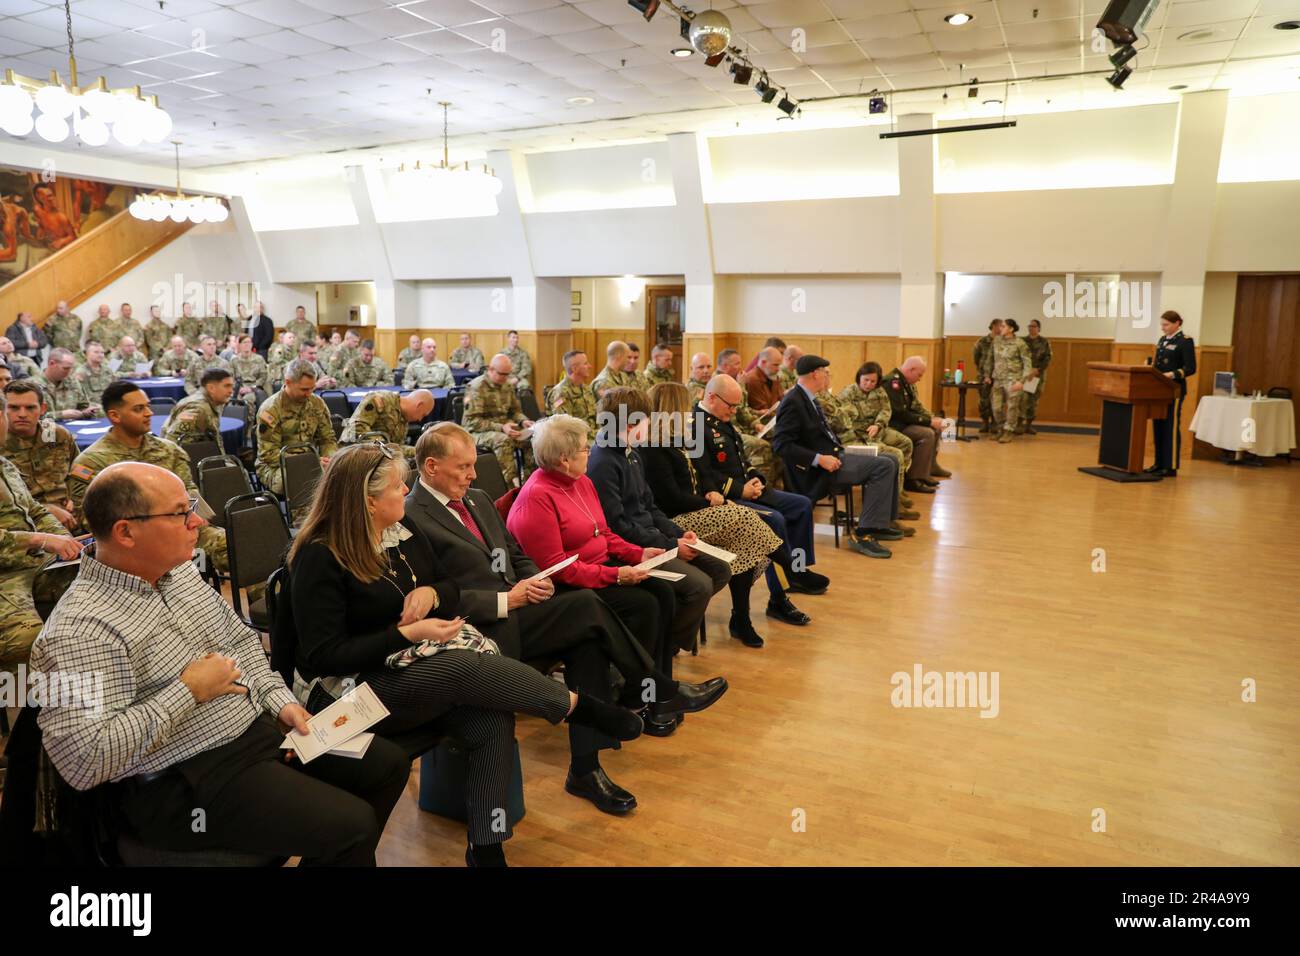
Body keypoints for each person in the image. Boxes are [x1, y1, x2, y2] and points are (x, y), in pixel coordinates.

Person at [32, 461, 408, 865]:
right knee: (352, 826)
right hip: (180, 779)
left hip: (252, 733)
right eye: (180, 513)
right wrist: (188, 691)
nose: (196, 520)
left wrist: (279, 701)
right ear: (126, 532)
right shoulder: (78, 630)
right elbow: (84, 761)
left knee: (387, 765)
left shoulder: (179, 574)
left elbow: (240, 642)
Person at [287, 442, 646, 865]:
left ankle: (486, 848)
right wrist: (406, 635)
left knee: (491, 716)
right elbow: (328, 656)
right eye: (398, 486)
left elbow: (449, 587)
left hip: (410, 669)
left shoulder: (399, 532)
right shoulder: (320, 556)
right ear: (367, 503)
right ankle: (575, 706)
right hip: (345, 693)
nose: (406, 491)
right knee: (459, 668)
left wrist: (429, 591)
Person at [405, 423, 720, 807]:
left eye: (473, 466)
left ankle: (586, 770)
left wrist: (534, 582)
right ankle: (656, 689)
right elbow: (432, 599)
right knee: (589, 608)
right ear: (432, 467)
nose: (473, 474)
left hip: (520, 610)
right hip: (475, 633)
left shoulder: (477, 498)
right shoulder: (412, 517)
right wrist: (510, 599)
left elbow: (515, 552)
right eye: (463, 467)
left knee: (589, 636)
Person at [507, 414, 728, 738]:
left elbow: (605, 533)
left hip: (602, 568)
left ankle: (655, 698)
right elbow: (556, 567)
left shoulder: (580, 481)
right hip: (569, 587)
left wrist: (637, 554)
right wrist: (615, 575)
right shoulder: (537, 497)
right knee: (644, 604)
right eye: (584, 448)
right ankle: (643, 696)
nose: (590, 452)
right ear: (563, 459)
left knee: (664, 593)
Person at [645, 382, 825, 648]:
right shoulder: (654, 447)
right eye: (684, 408)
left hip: (698, 509)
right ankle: (792, 569)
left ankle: (742, 618)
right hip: (676, 520)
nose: (688, 412)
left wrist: (713, 493)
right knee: (747, 518)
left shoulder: (680, 438)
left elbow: (704, 475)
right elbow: (670, 498)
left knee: (746, 541)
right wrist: (710, 501)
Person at [587, 387, 730, 658]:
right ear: (630, 423)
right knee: (699, 586)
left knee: (720, 569)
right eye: (646, 420)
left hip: (654, 537)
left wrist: (680, 534)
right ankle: (658, 651)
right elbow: (617, 526)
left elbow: (649, 506)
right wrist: (671, 546)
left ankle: (665, 638)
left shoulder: (632, 453)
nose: (651, 425)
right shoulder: (604, 461)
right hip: (633, 548)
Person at [69, 381, 230, 575]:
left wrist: (191, 520)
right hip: (133, 542)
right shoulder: (91, 462)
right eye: (139, 409)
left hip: (183, 527)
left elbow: (189, 492)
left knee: (239, 547)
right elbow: (89, 519)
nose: (148, 413)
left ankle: (269, 600)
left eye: (147, 406)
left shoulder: (168, 451)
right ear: (114, 416)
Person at [695, 375, 827, 595]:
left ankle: (798, 568)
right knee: (774, 520)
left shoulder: (723, 419)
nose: (735, 411)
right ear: (711, 397)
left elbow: (741, 460)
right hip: (727, 497)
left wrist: (755, 478)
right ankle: (782, 590)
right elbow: (704, 475)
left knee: (801, 505)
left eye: (737, 405)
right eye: (731, 405)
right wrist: (740, 490)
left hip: (748, 489)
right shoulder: (696, 426)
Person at [772, 355, 900, 558]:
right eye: (825, 372)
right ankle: (864, 534)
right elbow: (781, 445)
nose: (827, 376)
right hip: (818, 470)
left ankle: (879, 524)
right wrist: (818, 459)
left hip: (833, 455)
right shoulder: (794, 401)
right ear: (815, 374)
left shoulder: (808, 397)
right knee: (883, 465)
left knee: (891, 460)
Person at [0, 388, 84, 679]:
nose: (18, 417)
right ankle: (28, 716)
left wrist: (66, 543)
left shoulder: (5, 467)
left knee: (105, 592)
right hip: (6, 572)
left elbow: (34, 511)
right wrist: (40, 539)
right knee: (29, 641)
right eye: (11, 409)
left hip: (36, 561)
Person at [836, 362, 916, 513]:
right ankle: (893, 498)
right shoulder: (848, 393)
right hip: (860, 435)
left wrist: (878, 425)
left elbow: (886, 409)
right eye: (865, 380)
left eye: (873, 381)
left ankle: (898, 488)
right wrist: (866, 431)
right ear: (859, 377)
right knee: (895, 454)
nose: (868, 384)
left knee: (906, 443)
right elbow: (845, 420)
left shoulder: (879, 391)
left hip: (877, 429)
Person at [2, 380, 80, 530]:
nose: (22, 414)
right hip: (26, 518)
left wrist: (74, 498)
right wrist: (47, 509)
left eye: (30, 408)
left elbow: (78, 472)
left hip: (71, 509)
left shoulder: (57, 434)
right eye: (14, 408)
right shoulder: (1, 442)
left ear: (43, 409)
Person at [255, 360, 337, 495]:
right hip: (276, 467)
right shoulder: (271, 409)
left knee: (339, 471)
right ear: (288, 382)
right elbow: (268, 455)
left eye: (312, 388)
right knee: (304, 476)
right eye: (304, 389)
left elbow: (327, 438)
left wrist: (331, 459)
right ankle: (305, 516)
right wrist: (309, 462)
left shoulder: (317, 403)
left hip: (312, 462)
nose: (309, 393)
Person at [462, 354, 535, 485]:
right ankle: (508, 488)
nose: (506, 378)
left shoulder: (507, 385)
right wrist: (500, 427)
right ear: (490, 369)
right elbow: (471, 422)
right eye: (502, 374)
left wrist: (523, 421)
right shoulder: (477, 387)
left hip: (505, 428)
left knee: (532, 438)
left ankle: (530, 483)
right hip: (478, 432)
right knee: (503, 441)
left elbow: (515, 411)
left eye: (508, 374)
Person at [881, 356, 951, 486]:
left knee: (934, 429)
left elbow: (914, 407)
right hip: (894, 426)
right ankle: (914, 478)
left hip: (903, 423)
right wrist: (928, 422)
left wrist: (931, 419)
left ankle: (929, 468)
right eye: (919, 375)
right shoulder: (893, 383)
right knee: (927, 434)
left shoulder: (905, 382)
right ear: (911, 369)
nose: (920, 379)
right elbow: (899, 414)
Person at [714, 348, 780, 484]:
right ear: (726, 366)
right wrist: (741, 386)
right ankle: (762, 488)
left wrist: (755, 422)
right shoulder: (719, 382)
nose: (741, 367)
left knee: (779, 437)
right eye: (737, 363)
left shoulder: (732, 380)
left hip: (737, 428)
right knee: (762, 446)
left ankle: (776, 486)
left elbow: (742, 410)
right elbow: (737, 407)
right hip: (725, 431)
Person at [1148, 309, 1196, 478]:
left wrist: (1172, 374)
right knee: (1158, 426)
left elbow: (1190, 368)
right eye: (1162, 324)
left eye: (1166, 324)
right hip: (1159, 390)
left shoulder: (1185, 341)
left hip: (1174, 390)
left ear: (1177, 323)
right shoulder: (1162, 340)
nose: (1163, 328)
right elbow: (1158, 364)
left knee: (1170, 427)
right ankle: (1158, 463)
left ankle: (1170, 466)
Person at [340, 389, 433, 456]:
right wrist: (387, 446)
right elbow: (356, 429)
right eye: (423, 414)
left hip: (378, 458)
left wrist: (417, 451)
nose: (420, 419)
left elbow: (395, 447)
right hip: (352, 455)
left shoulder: (403, 418)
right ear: (419, 405)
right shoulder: (380, 400)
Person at [162, 367, 234, 447]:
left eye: (231, 386)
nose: (231, 391)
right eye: (227, 386)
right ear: (211, 388)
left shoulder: (208, 402)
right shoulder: (197, 408)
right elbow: (173, 442)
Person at [989, 320, 1033, 444]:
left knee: (1012, 407)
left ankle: (1008, 431)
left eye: (1003, 326)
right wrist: (987, 375)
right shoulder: (997, 341)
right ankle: (1001, 428)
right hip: (998, 379)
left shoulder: (1020, 343)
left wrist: (1022, 381)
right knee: (996, 407)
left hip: (1013, 379)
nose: (1000, 328)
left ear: (1011, 329)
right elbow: (991, 358)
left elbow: (1027, 363)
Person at [34, 348, 99, 420]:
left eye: (71, 368)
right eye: (65, 368)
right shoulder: (34, 386)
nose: (69, 372)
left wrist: (86, 412)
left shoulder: (72, 382)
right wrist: (61, 415)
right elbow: (32, 415)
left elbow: (83, 406)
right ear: (52, 363)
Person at [545, 349, 597, 439]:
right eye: (585, 363)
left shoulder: (586, 389)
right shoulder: (561, 393)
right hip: (576, 440)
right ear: (574, 369)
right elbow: (565, 426)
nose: (590, 366)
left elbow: (595, 417)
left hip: (594, 436)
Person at [1022, 319, 1052, 435]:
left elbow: (1047, 358)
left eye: (1033, 326)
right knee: (1022, 399)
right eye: (1029, 326)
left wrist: (1037, 369)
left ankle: (1028, 425)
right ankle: (1019, 424)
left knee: (1033, 400)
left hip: (1037, 375)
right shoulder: (1022, 341)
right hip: (1024, 374)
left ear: (1039, 328)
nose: (1031, 328)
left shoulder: (1044, 342)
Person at [973, 319, 1003, 434]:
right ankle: (985, 422)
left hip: (999, 375)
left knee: (997, 401)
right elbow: (976, 357)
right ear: (993, 326)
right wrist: (983, 370)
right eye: (1000, 325)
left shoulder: (1003, 342)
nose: (1001, 328)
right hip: (983, 375)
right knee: (984, 400)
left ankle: (994, 422)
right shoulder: (982, 341)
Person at [741, 346, 785, 415]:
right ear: (763, 362)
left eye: (779, 365)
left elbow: (782, 400)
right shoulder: (752, 379)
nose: (778, 369)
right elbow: (762, 409)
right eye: (775, 365)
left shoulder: (773, 376)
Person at [500, 330, 533, 394]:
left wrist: (517, 378)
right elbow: (499, 368)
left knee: (525, 385)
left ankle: (522, 404)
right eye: (513, 337)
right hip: (506, 378)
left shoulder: (523, 353)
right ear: (508, 338)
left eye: (517, 338)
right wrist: (506, 379)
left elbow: (526, 369)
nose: (516, 340)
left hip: (518, 378)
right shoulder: (502, 353)